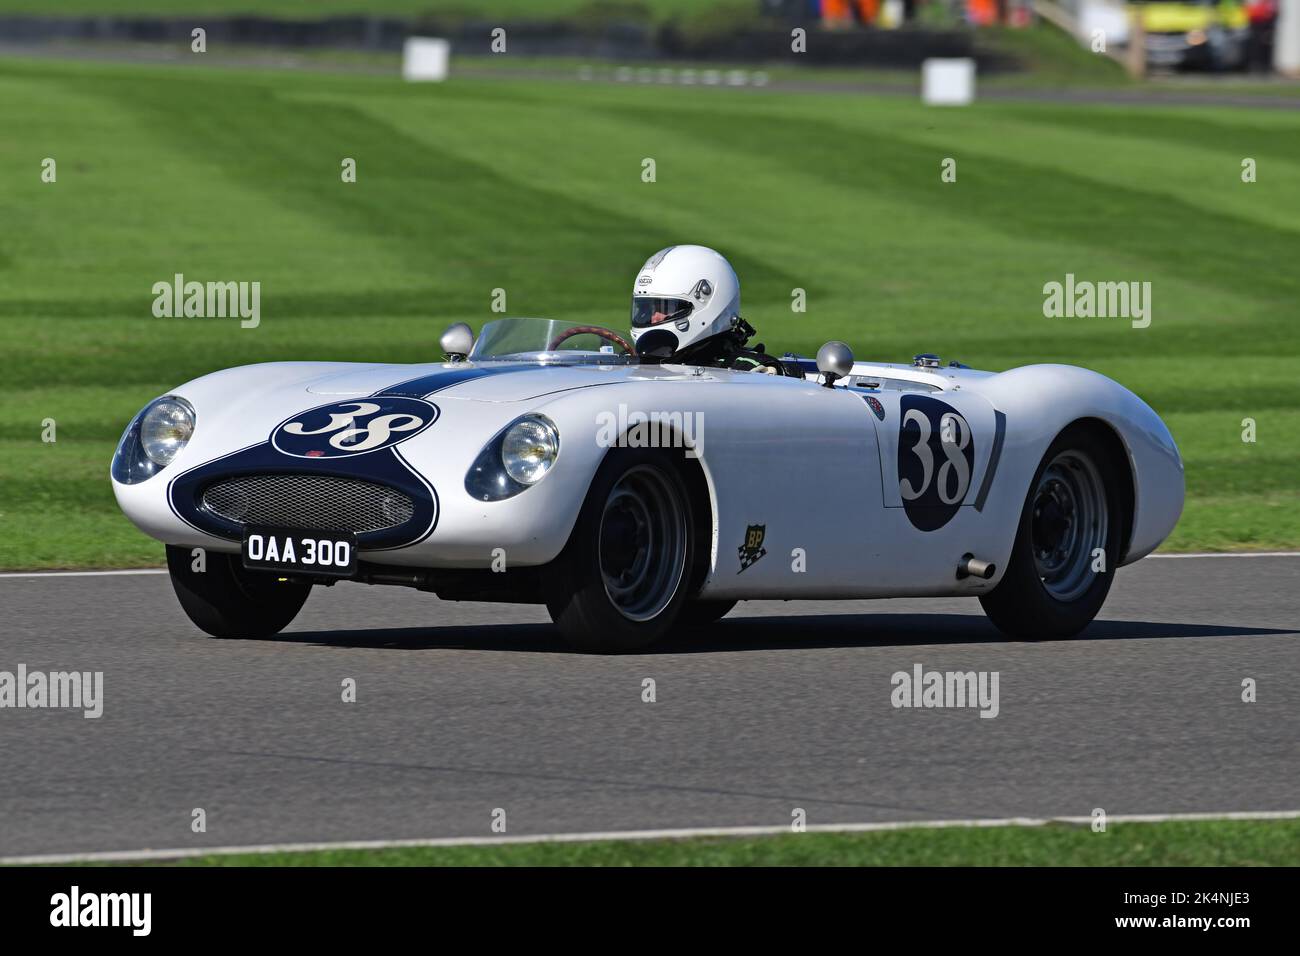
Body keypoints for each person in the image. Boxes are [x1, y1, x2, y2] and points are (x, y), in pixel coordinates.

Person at [628, 245, 801, 375]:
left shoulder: (749, 372)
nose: (653, 318)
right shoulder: (627, 363)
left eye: (664, 308)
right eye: (646, 309)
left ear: (708, 305)